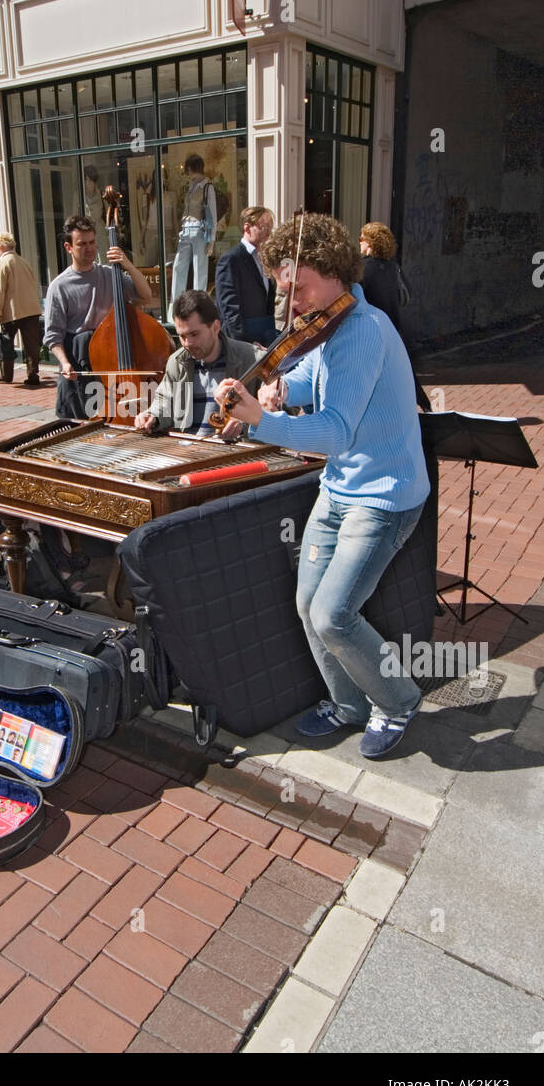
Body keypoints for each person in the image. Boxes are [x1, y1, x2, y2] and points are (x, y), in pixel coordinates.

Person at [213, 213, 431, 759]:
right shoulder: (331, 326)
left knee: (334, 613)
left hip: (383, 495)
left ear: (333, 272)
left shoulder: (363, 331)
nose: (294, 305)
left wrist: (262, 419)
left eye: (299, 288)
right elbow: (316, 376)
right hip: (340, 489)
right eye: (286, 290)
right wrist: (282, 387)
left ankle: (398, 700)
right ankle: (349, 704)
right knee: (307, 603)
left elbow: (336, 431)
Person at [44, 214, 153, 419]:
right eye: (82, 244)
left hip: (111, 356)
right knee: (81, 423)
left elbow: (146, 295)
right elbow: (53, 336)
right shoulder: (59, 286)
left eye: (92, 242)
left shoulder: (109, 274)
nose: (89, 248)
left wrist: (128, 264)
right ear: (69, 248)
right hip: (79, 359)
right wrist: (65, 362)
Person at [135, 289, 256, 437]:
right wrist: (152, 416)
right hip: (188, 449)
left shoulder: (251, 358)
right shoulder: (178, 362)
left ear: (215, 327)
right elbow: (164, 401)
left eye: (194, 334)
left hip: (235, 452)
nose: (188, 343)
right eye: (182, 336)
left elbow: (277, 412)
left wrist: (244, 423)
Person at [360, 222, 431, 413]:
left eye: (362, 239)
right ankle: (424, 406)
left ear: (371, 243)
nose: (359, 243)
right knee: (403, 372)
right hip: (393, 328)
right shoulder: (392, 268)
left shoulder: (362, 269)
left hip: (371, 331)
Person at [0, 233, 42, 387]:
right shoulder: (23, 261)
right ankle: (33, 374)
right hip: (31, 308)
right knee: (32, 345)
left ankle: (6, 375)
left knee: (5, 343)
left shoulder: (1, 264)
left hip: (12, 311)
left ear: (1, 247)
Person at [213, 206, 276, 345]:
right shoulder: (231, 259)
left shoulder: (265, 258)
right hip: (243, 342)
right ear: (247, 228)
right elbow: (229, 309)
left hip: (265, 337)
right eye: (264, 227)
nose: (269, 233)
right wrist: (247, 342)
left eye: (271, 228)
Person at [170, 155, 217, 301]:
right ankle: (176, 300)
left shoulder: (207, 187)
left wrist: (212, 240)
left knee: (199, 267)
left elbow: (213, 214)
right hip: (185, 230)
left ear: (193, 168)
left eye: (188, 169)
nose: (188, 173)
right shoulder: (192, 187)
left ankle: (199, 302)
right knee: (178, 265)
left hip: (199, 230)